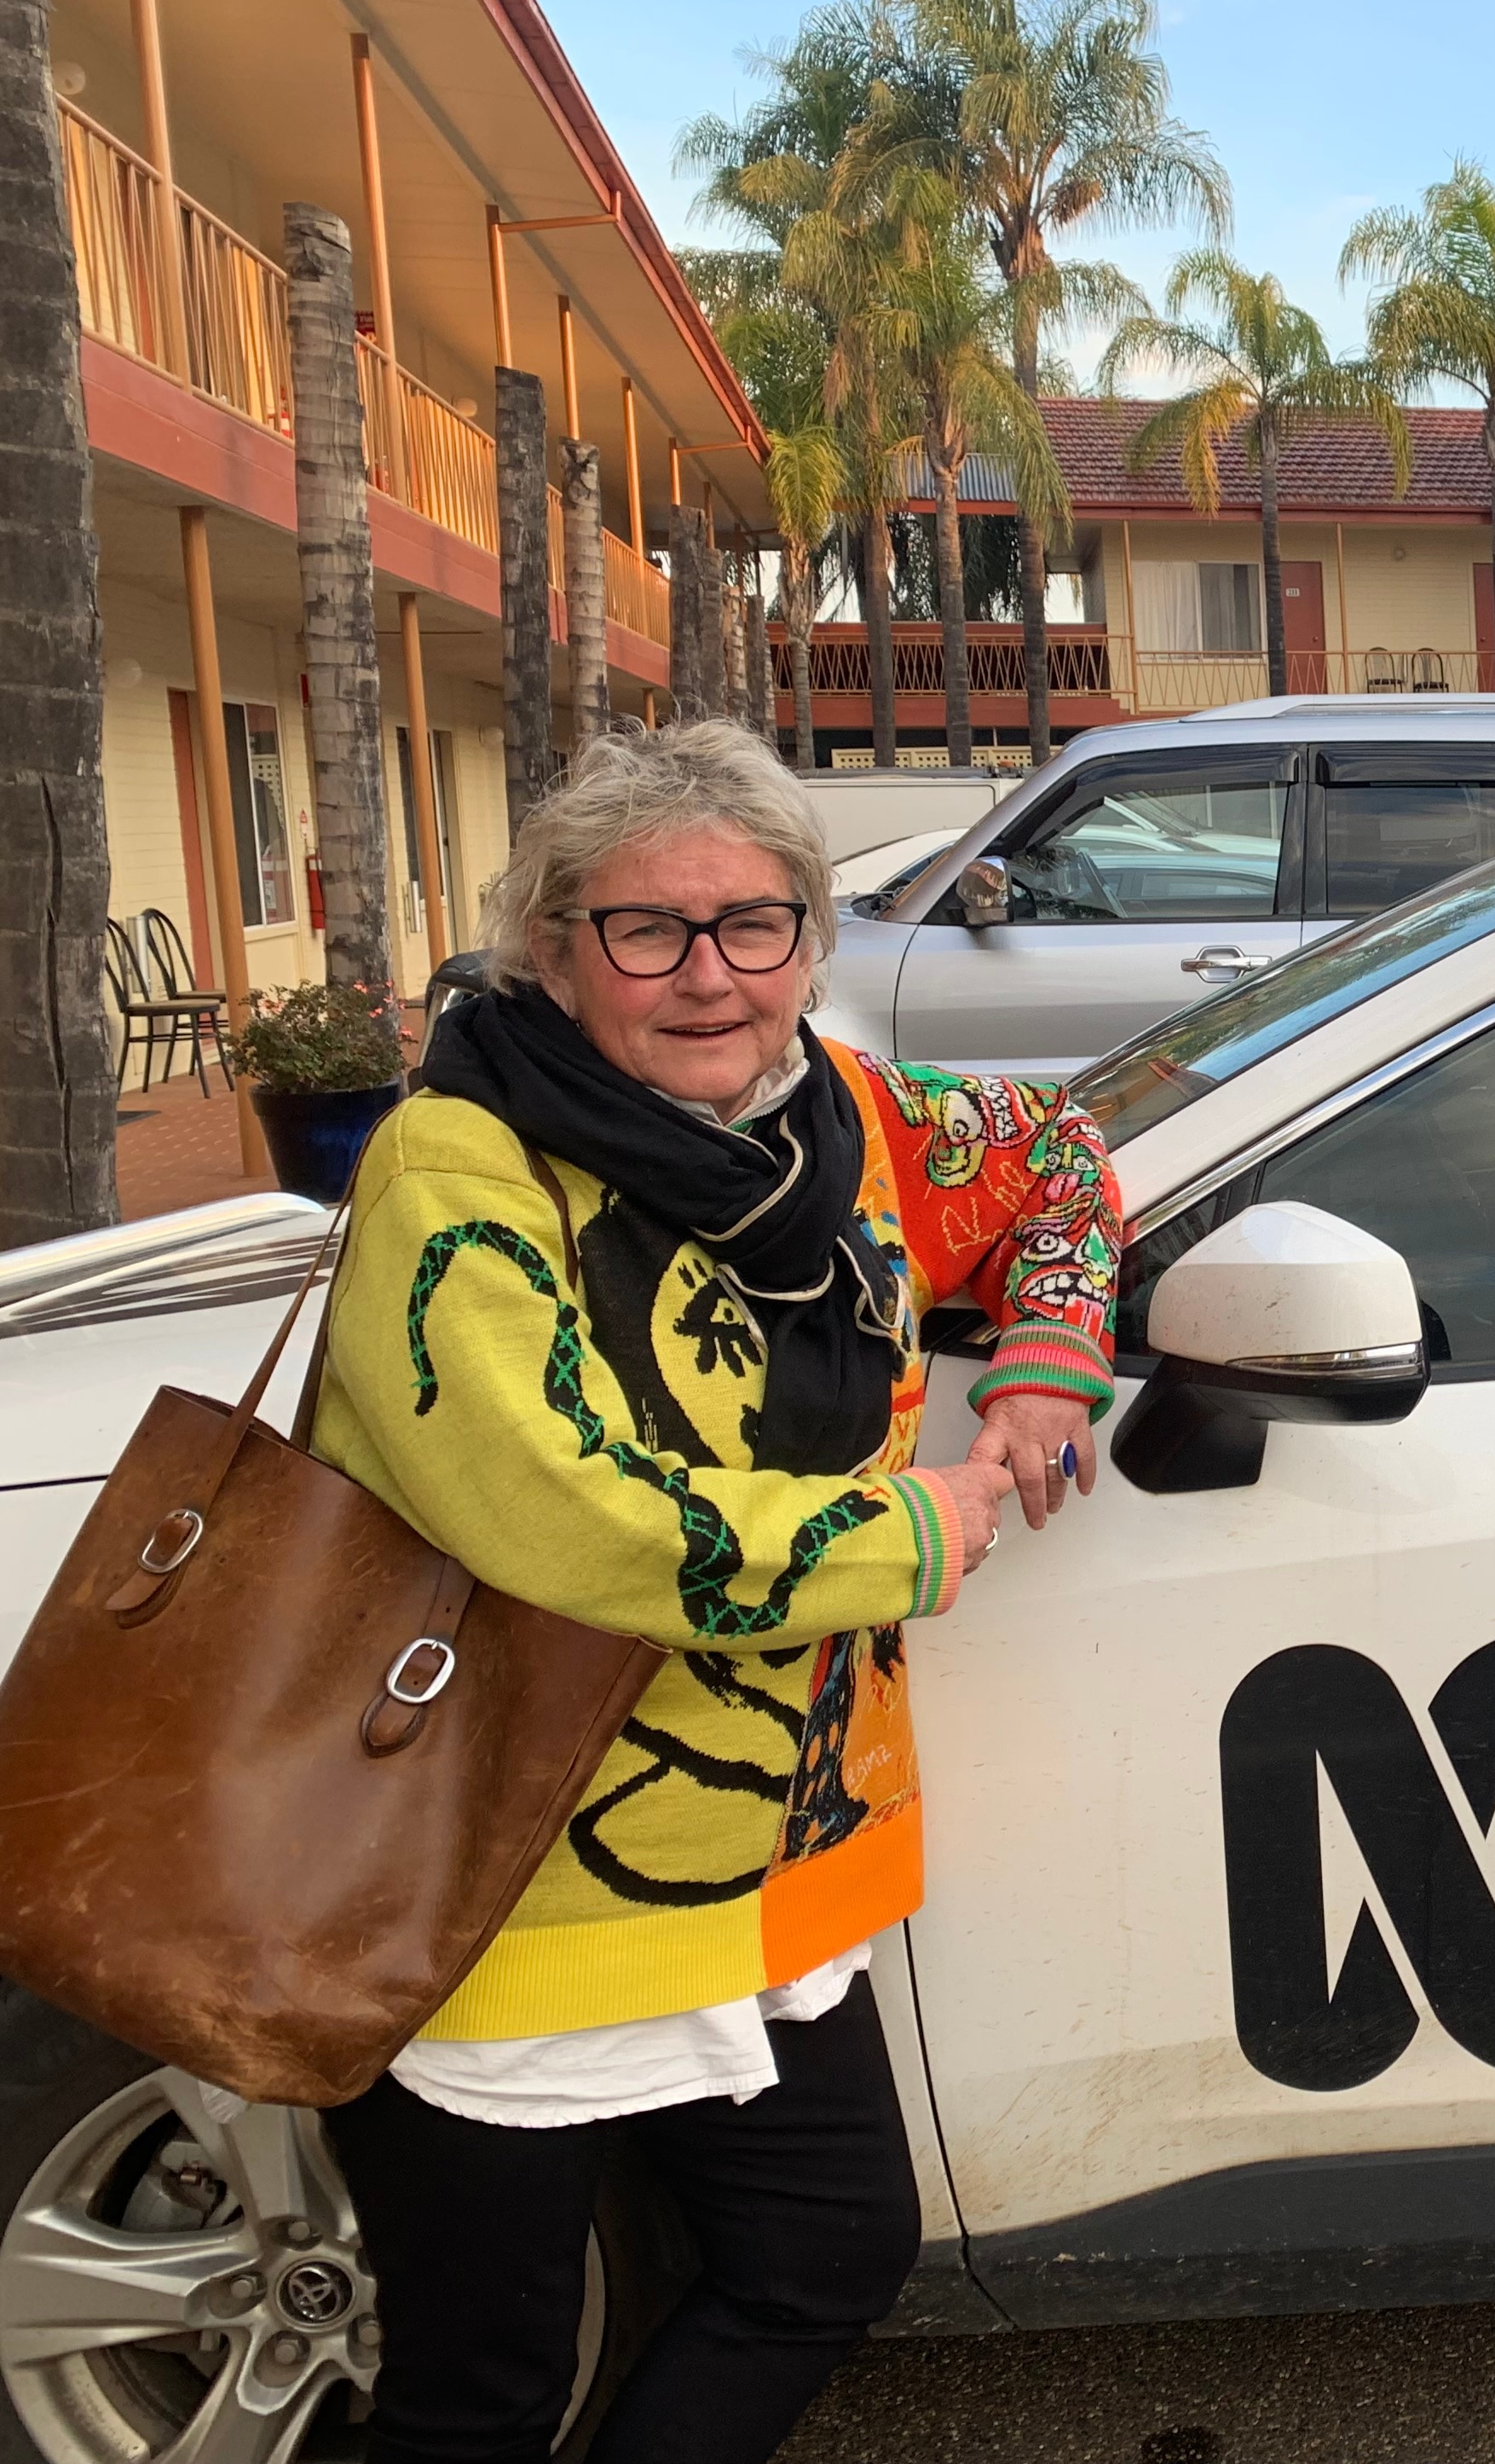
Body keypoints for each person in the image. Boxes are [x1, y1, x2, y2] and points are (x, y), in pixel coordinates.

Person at [309, 724, 1123, 2464]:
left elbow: (1058, 1153)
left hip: (769, 1878)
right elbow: (567, 1518)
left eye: (755, 923)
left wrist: (1051, 1351)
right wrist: (911, 1534)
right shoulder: (459, 1170)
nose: (709, 975)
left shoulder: (854, 1118)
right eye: (646, 930)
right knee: (481, 2395)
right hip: (506, 1894)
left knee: (828, 2258)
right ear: (552, 950)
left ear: (810, 940)